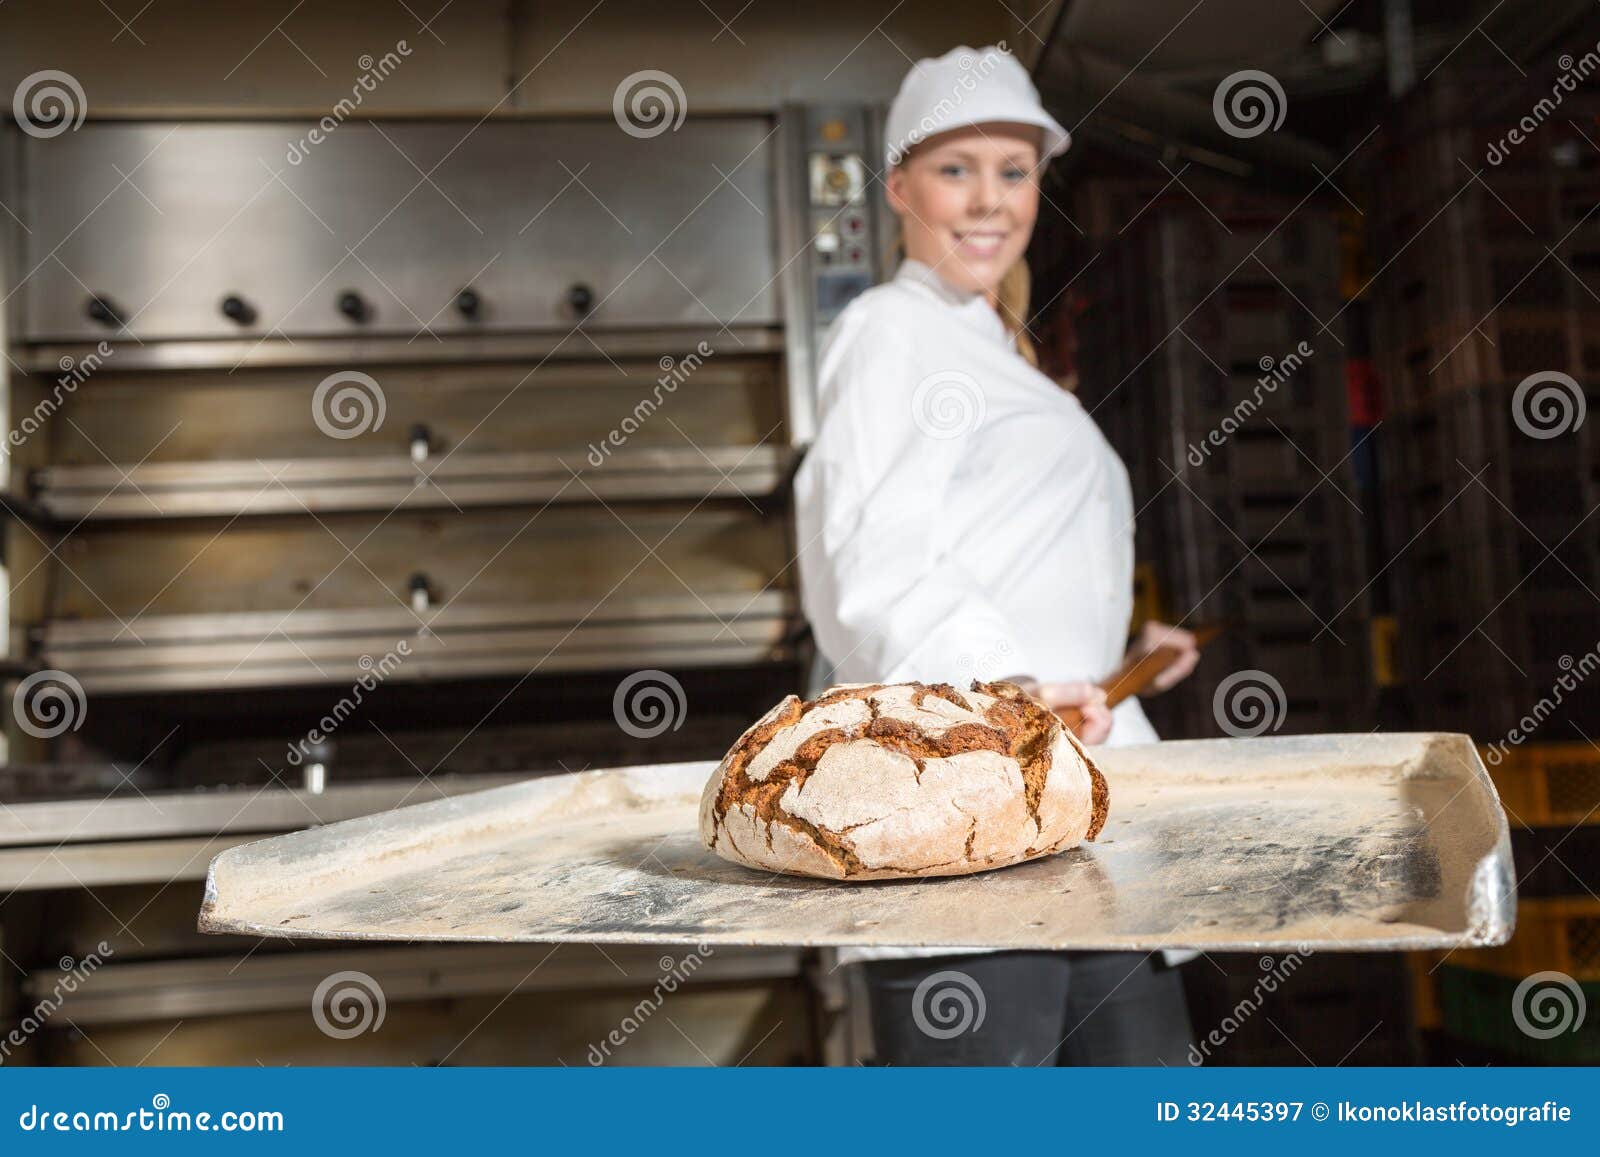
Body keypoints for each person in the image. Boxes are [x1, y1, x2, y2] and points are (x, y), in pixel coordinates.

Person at [794, 45, 1200, 1066]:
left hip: (1079, 799)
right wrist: (1012, 688)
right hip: (966, 820)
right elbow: (873, 565)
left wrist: (1120, 643)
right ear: (897, 187)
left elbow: (1011, 549)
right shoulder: (890, 333)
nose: (988, 200)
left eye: (1012, 171)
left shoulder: (995, 350)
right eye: (954, 168)